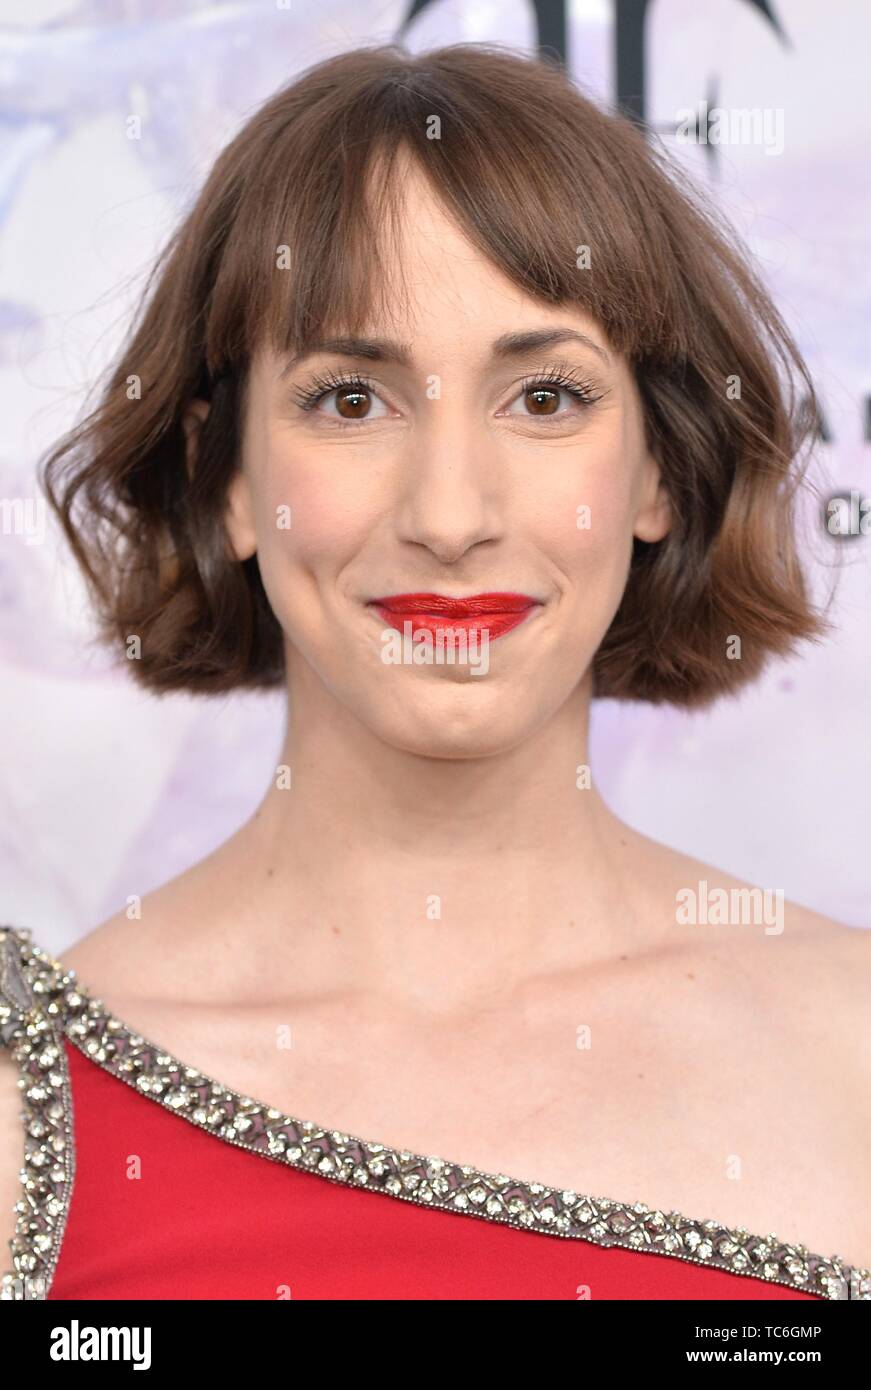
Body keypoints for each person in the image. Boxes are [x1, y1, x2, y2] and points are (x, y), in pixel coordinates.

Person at [1, 41, 868, 1302]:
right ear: (228, 477)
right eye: (352, 400)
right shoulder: (24, 1120)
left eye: (546, 397)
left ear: (657, 474)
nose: (451, 514)